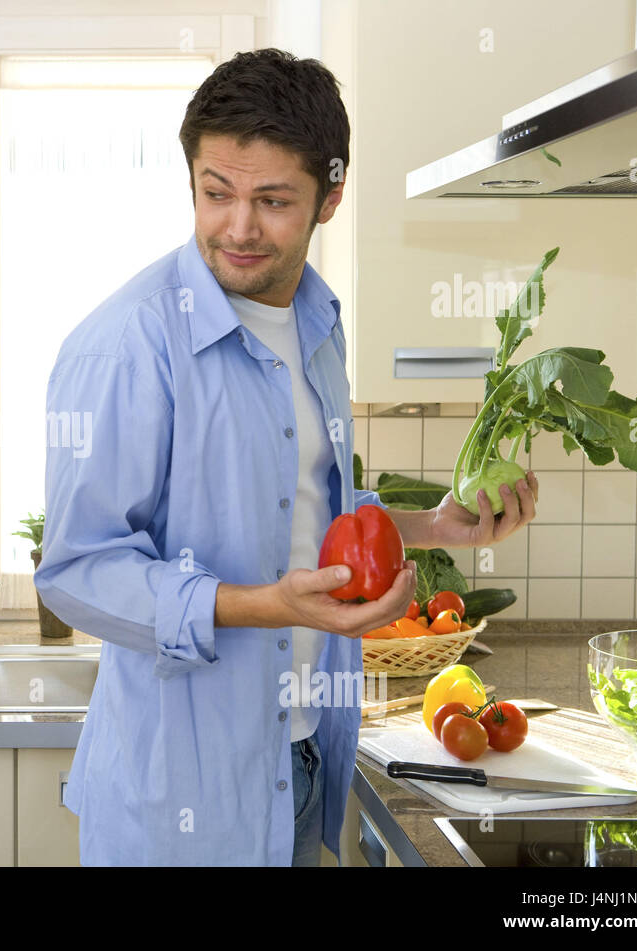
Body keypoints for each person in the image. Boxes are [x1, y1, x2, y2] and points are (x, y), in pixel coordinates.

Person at [34, 49, 539, 867]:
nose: (237, 228)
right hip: (185, 806)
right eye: (214, 192)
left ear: (329, 197)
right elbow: (77, 572)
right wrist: (268, 605)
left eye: (272, 201)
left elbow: (301, 501)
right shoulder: (127, 346)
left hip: (301, 766)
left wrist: (432, 524)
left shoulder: (317, 323)